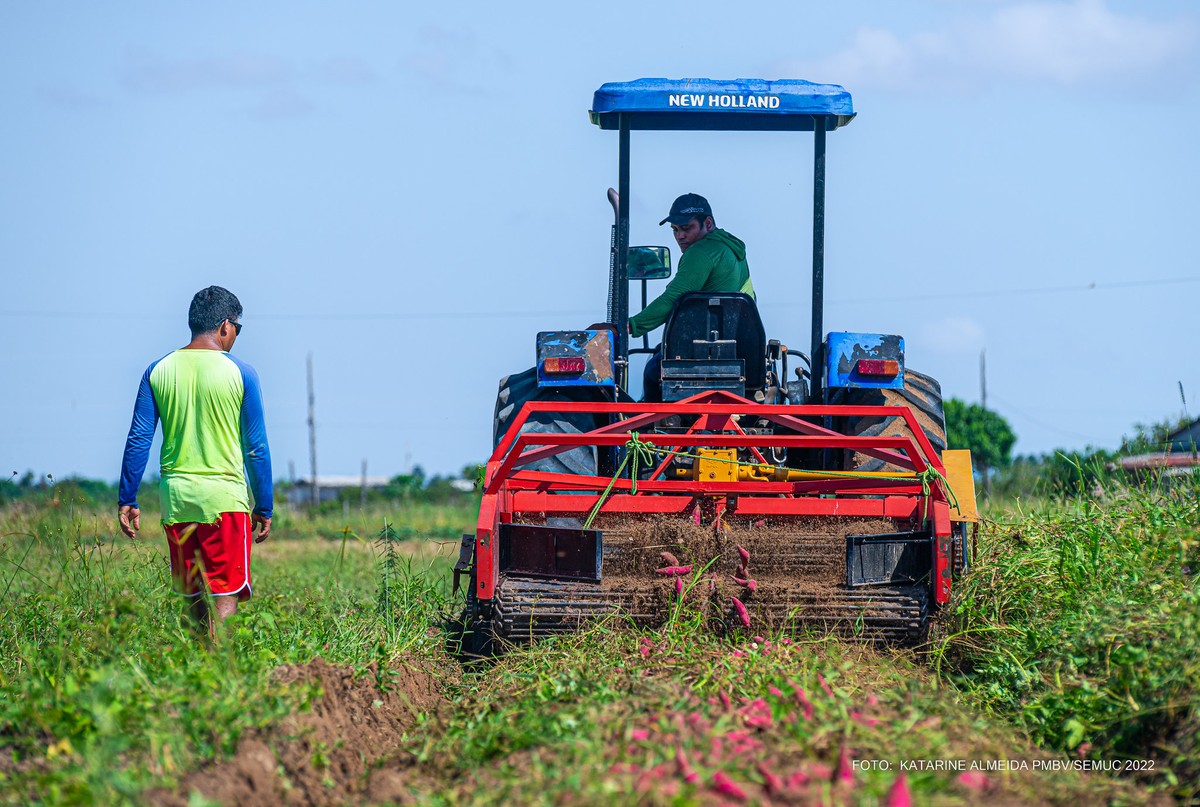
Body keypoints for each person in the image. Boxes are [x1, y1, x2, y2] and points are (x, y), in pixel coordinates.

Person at [118, 285, 273, 635]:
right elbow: (256, 448)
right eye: (237, 328)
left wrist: (127, 497)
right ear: (225, 326)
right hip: (224, 499)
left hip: (176, 499)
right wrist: (264, 505)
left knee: (192, 591)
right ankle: (221, 660)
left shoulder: (157, 370)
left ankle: (199, 658)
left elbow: (139, 438)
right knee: (225, 591)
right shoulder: (242, 373)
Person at [629, 193, 755, 400]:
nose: (680, 236)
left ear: (708, 223)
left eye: (686, 228)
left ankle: (652, 419)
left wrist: (630, 326)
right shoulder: (733, 250)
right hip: (741, 351)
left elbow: (672, 299)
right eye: (675, 230)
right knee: (661, 351)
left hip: (701, 354)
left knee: (653, 371)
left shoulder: (701, 251)